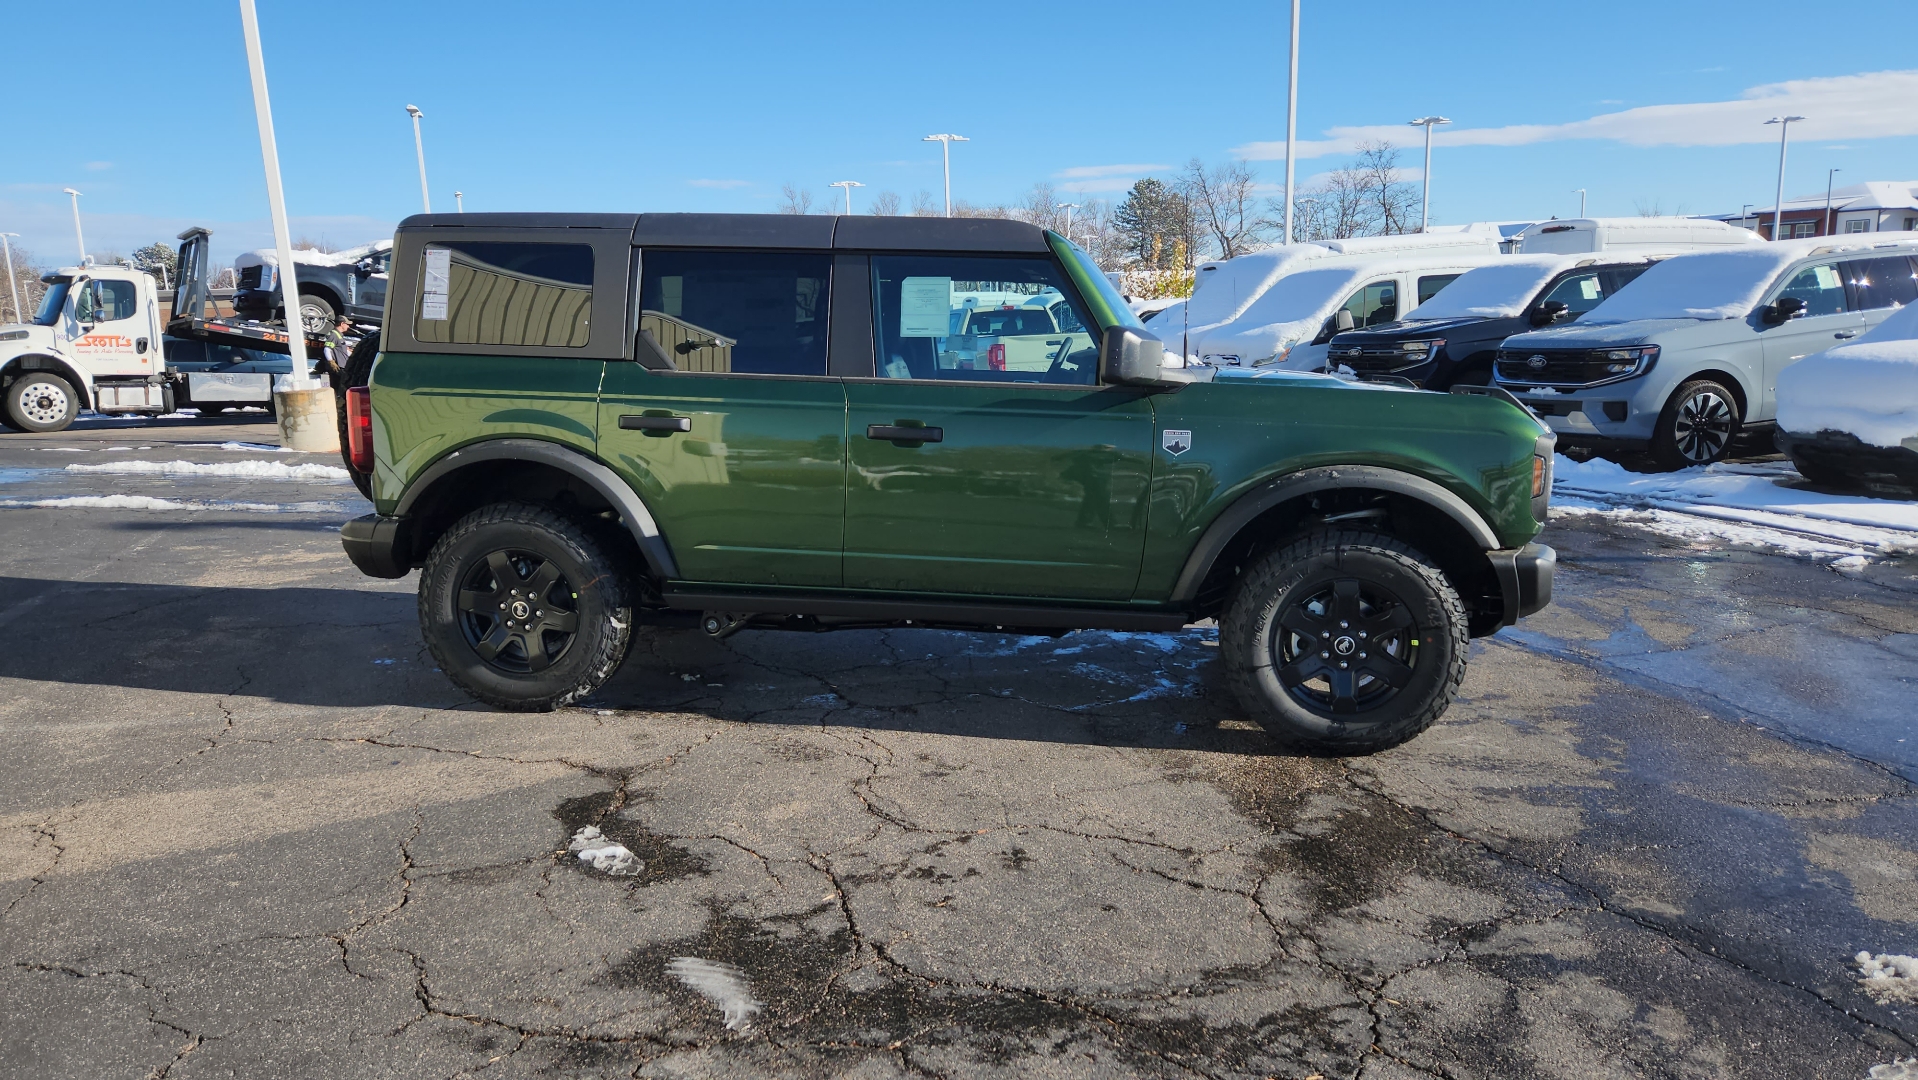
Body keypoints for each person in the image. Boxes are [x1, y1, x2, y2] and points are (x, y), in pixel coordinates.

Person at [313, 315, 352, 387]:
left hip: (341, 367)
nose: (348, 326)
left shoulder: (339, 335)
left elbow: (341, 350)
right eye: (347, 324)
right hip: (336, 368)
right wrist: (331, 362)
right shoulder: (334, 335)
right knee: (336, 386)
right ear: (342, 324)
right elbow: (327, 349)